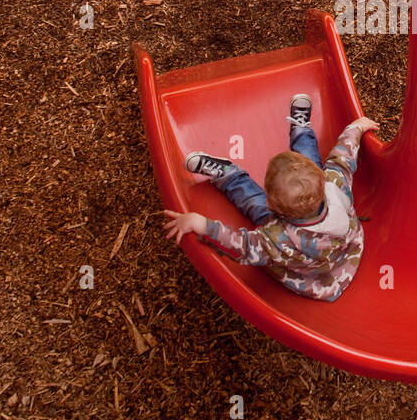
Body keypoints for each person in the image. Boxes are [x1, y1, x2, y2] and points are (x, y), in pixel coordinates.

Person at [162, 94, 378, 302]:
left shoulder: (276, 239)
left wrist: (201, 224)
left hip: (308, 278)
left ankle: (228, 175)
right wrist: (355, 128)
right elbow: (342, 158)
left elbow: (242, 247)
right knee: (309, 166)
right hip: (344, 259)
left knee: (253, 203)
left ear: (273, 205)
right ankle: (301, 129)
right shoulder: (335, 184)